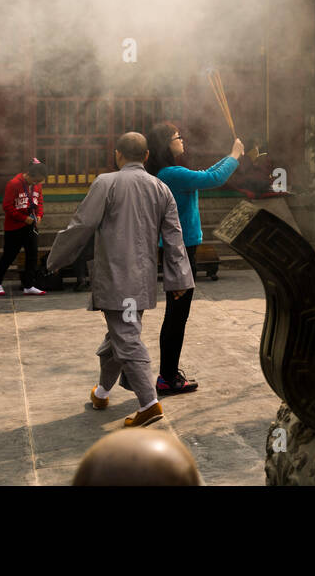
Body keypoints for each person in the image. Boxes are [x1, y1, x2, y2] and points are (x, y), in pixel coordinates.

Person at [45, 132, 192, 429]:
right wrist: (178, 280)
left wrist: (54, 260)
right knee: (117, 337)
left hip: (117, 278)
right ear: (147, 156)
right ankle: (101, 392)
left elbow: (82, 225)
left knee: (126, 338)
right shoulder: (161, 188)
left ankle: (149, 403)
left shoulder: (106, 183)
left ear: (117, 155)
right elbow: (174, 239)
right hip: (142, 279)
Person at [145, 122, 242, 396]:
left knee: (176, 315)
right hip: (180, 251)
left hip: (179, 248)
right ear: (167, 144)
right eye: (177, 137)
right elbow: (212, 180)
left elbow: (207, 173)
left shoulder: (172, 172)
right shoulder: (171, 174)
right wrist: (234, 156)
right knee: (177, 316)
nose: (182, 140)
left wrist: (231, 155)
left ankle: (169, 373)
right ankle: (167, 376)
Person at [0, 159, 49, 296]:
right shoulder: (14, 184)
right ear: (29, 174)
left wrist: (39, 215)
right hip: (14, 227)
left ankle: (28, 285)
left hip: (31, 226)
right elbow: (7, 206)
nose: (37, 184)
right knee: (9, 256)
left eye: (39, 181)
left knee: (32, 255)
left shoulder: (37, 186)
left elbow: (39, 202)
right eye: (35, 180)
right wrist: (23, 218)